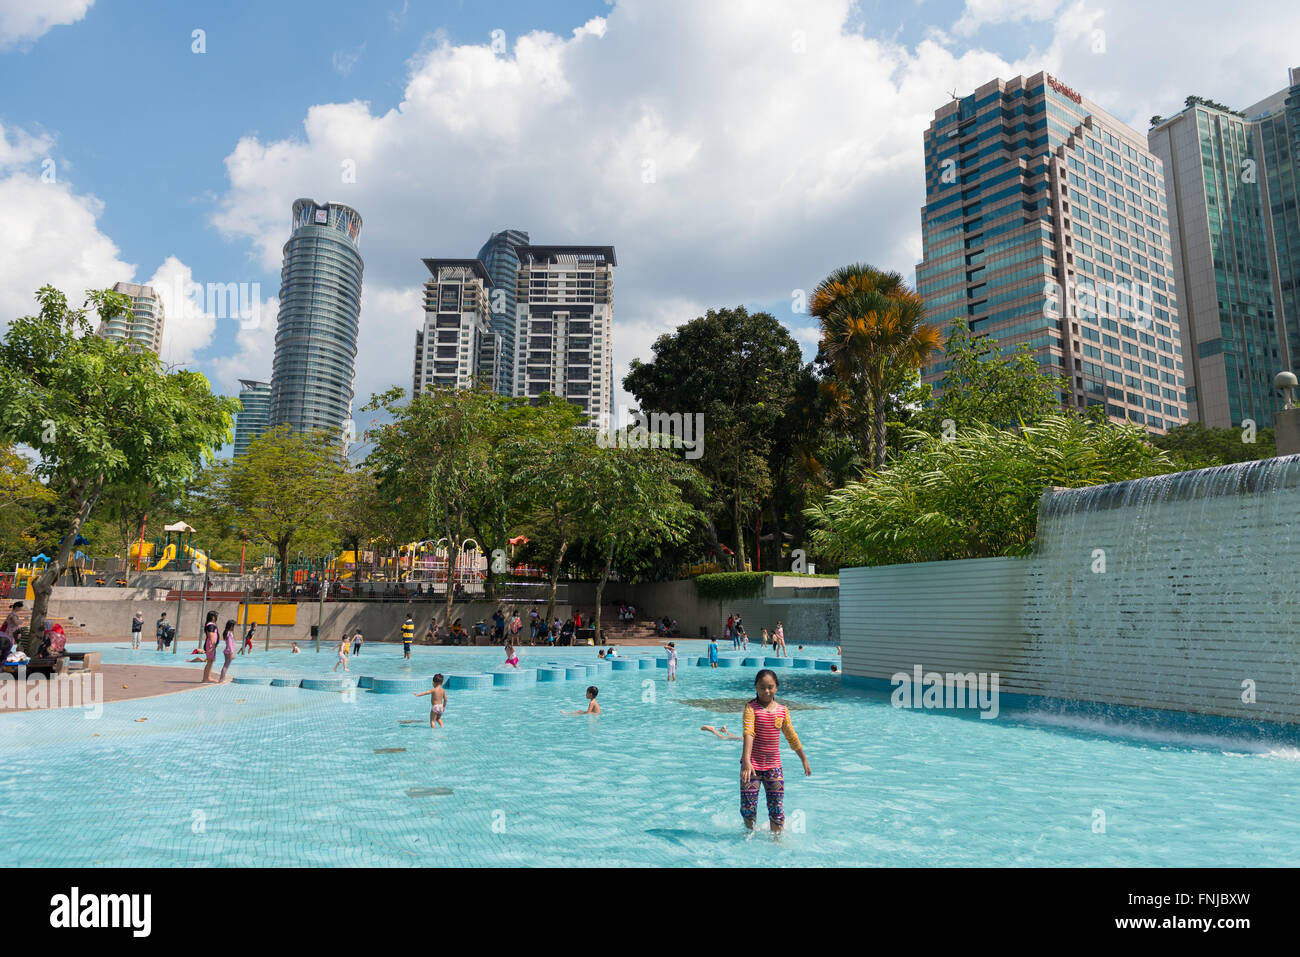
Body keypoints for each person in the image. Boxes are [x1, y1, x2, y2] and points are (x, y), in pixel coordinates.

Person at [740, 669, 811, 836]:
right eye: (762, 687)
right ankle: (749, 835)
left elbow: (791, 736)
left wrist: (804, 760)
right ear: (756, 687)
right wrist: (747, 761)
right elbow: (749, 732)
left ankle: (777, 841)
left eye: (770, 687)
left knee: (777, 808)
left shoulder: (782, 711)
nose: (766, 691)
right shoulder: (751, 708)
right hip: (752, 768)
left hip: (774, 768)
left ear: (777, 688)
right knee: (748, 808)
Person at [200, 611, 219, 683]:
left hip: (210, 644)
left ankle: (208, 677)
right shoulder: (211, 625)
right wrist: (213, 646)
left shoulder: (211, 624)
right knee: (209, 661)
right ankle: (205, 679)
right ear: (213, 617)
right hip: (211, 645)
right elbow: (211, 635)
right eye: (216, 616)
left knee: (211, 661)